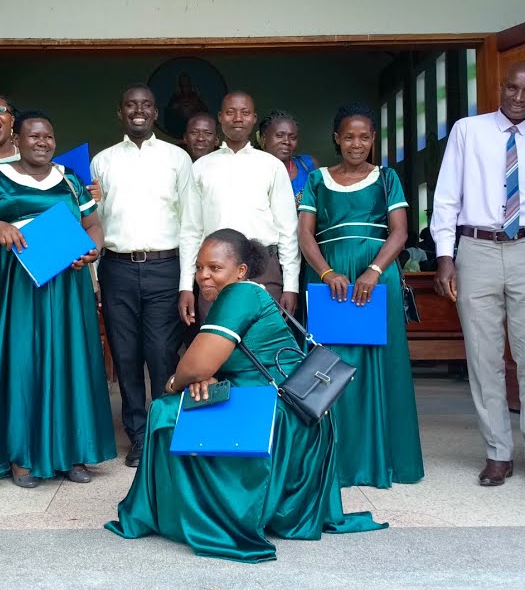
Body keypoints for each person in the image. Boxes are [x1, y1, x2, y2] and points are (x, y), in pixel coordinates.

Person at [106, 229, 386, 563]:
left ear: (240, 271)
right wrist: (202, 373)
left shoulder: (239, 295)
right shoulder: (241, 294)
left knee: (166, 410)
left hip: (282, 410)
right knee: (188, 404)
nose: (204, 276)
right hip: (293, 405)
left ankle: (204, 511)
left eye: (214, 267)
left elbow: (195, 365)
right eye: (199, 268)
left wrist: (172, 383)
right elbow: (204, 366)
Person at [429, 60, 525, 490]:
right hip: (476, 249)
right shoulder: (467, 130)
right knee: (484, 356)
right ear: (500, 86)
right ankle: (497, 453)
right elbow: (446, 195)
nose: (518, 97)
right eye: (512, 88)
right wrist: (444, 255)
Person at [0, 111, 117, 488]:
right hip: (17, 288)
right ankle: (22, 457)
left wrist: (92, 249)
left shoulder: (70, 180)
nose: (42, 142)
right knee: (22, 364)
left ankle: (73, 452)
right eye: (34, 136)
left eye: (48, 136)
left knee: (70, 362)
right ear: (18, 137)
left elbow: (93, 225)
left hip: (67, 287)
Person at [297, 103, 423, 488]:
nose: (357, 143)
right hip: (330, 278)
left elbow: (399, 232)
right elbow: (305, 235)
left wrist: (373, 270)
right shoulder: (316, 179)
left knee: (379, 365)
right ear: (337, 138)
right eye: (349, 136)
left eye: (364, 136)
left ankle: (383, 459)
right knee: (330, 365)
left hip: (376, 277)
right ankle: (335, 461)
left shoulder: (387, 178)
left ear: (373, 139)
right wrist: (326, 271)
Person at [90, 86, 193, 469]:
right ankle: (137, 434)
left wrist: (186, 282)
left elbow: (189, 223)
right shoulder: (102, 162)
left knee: (163, 354)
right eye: (130, 105)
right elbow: (94, 220)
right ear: (121, 112)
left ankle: (164, 429)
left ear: (155, 112)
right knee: (126, 354)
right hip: (116, 266)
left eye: (146, 105)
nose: (138, 111)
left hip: (165, 266)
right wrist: (96, 277)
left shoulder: (177, 158)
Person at [179, 91, 300, 326]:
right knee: (217, 344)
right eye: (231, 112)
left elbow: (288, 231)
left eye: (244, 112)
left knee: (263, 342)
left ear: (254, 118)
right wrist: (186, 286)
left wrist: (291, 286)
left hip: (264, 266)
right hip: (214, 271)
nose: (237, 118)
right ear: (221, 118)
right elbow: (191, 231)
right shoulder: (202, 167)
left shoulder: (271, 166)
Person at [258, 109, 319, 207]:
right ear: (264, 138)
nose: (287, 141)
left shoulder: (308, 165)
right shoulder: (254, 171)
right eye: (279, 135)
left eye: (292, 137)